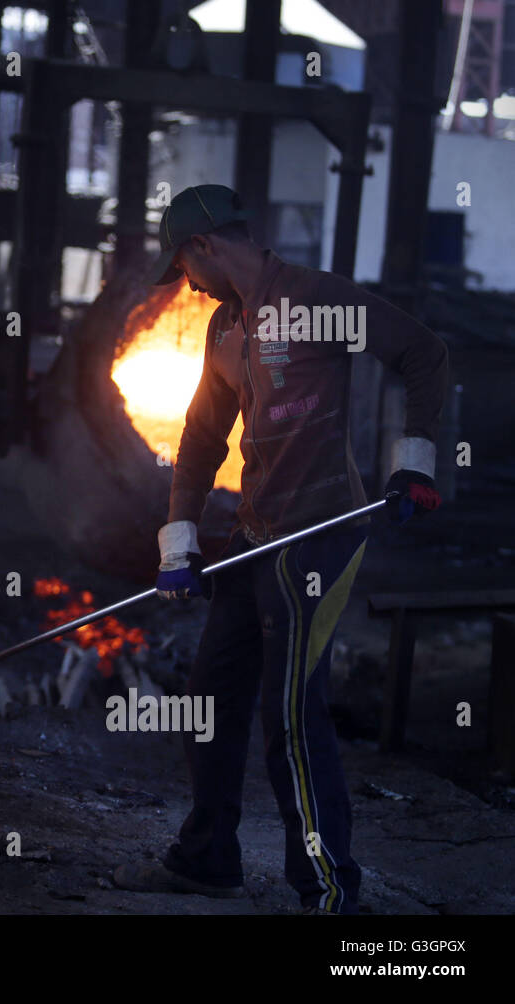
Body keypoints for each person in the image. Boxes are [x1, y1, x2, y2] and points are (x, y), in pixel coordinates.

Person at [113, 185, 449, 915]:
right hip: (257, 535)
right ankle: (207, 860)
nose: (189, 289)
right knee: (209, 699)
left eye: (184, 269)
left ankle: (329, 890)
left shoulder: (316, 302)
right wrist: (179, 541)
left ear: (203, 246)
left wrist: (415, 461)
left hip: (320, 535)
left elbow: (423, 353)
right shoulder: (227, 330)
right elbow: (202, 439)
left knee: (292, 714)